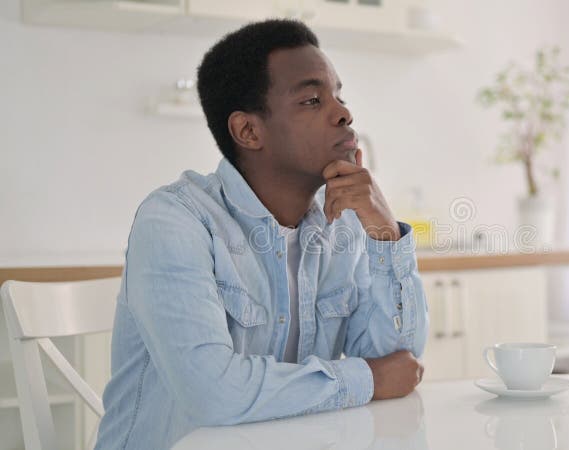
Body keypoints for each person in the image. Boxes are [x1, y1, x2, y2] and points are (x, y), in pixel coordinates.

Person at [94, 19, 428, 450]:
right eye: (312, 99)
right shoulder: (174, 222)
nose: (344, 112)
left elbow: (400, 363)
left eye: (338, 95)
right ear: (249, 131)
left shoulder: (342, 222)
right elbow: (213, 393)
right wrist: (366, 378)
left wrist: (385, 234)